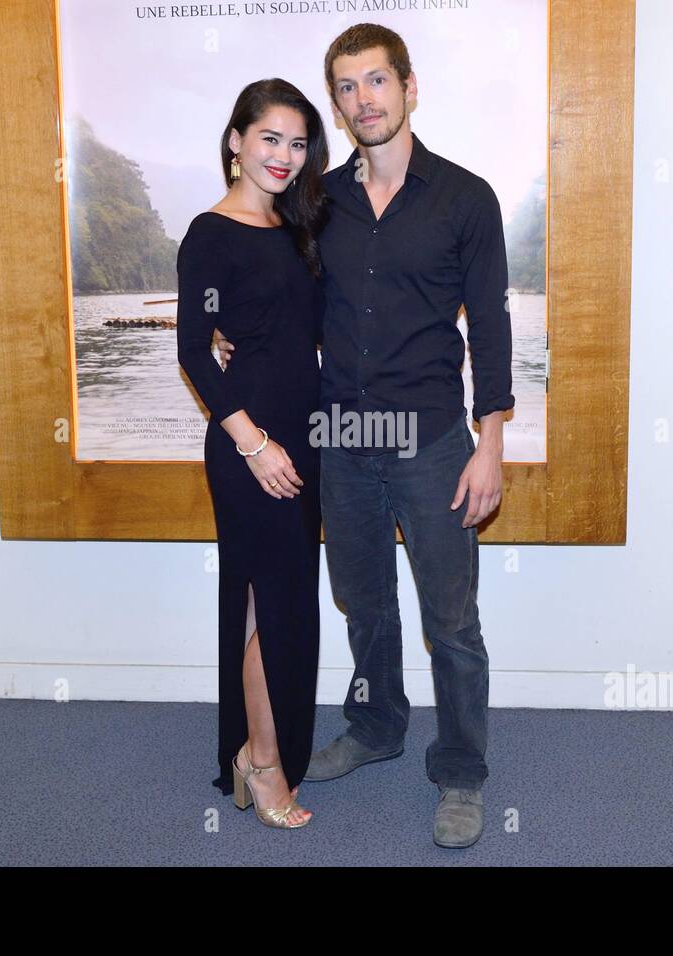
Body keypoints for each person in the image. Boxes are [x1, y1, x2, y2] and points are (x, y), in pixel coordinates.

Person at [216, 24, 514, 848]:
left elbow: (489, 328)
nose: (363, 101)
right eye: (346, 88)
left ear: (409, 88)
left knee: (451, 620)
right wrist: (222, 332)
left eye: (376, 82)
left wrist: (490, 443)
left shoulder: (465, 198)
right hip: (340, 440)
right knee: (365, 606)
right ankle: (379, 726)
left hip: (433, 445)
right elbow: (270, 281)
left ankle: (459, 770)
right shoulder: (319, 201)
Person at [175, 78, 329, 829]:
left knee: (283, 602)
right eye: (269, 138)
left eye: (298, 143)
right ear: (235, 141)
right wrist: (254, 442)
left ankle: (250, 750)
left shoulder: (300, 225)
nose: (284, 155)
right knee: (273, 603)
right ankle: (261, 762)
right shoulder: (209, 232)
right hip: (251, 445)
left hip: (304, 436)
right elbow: (194, 355)